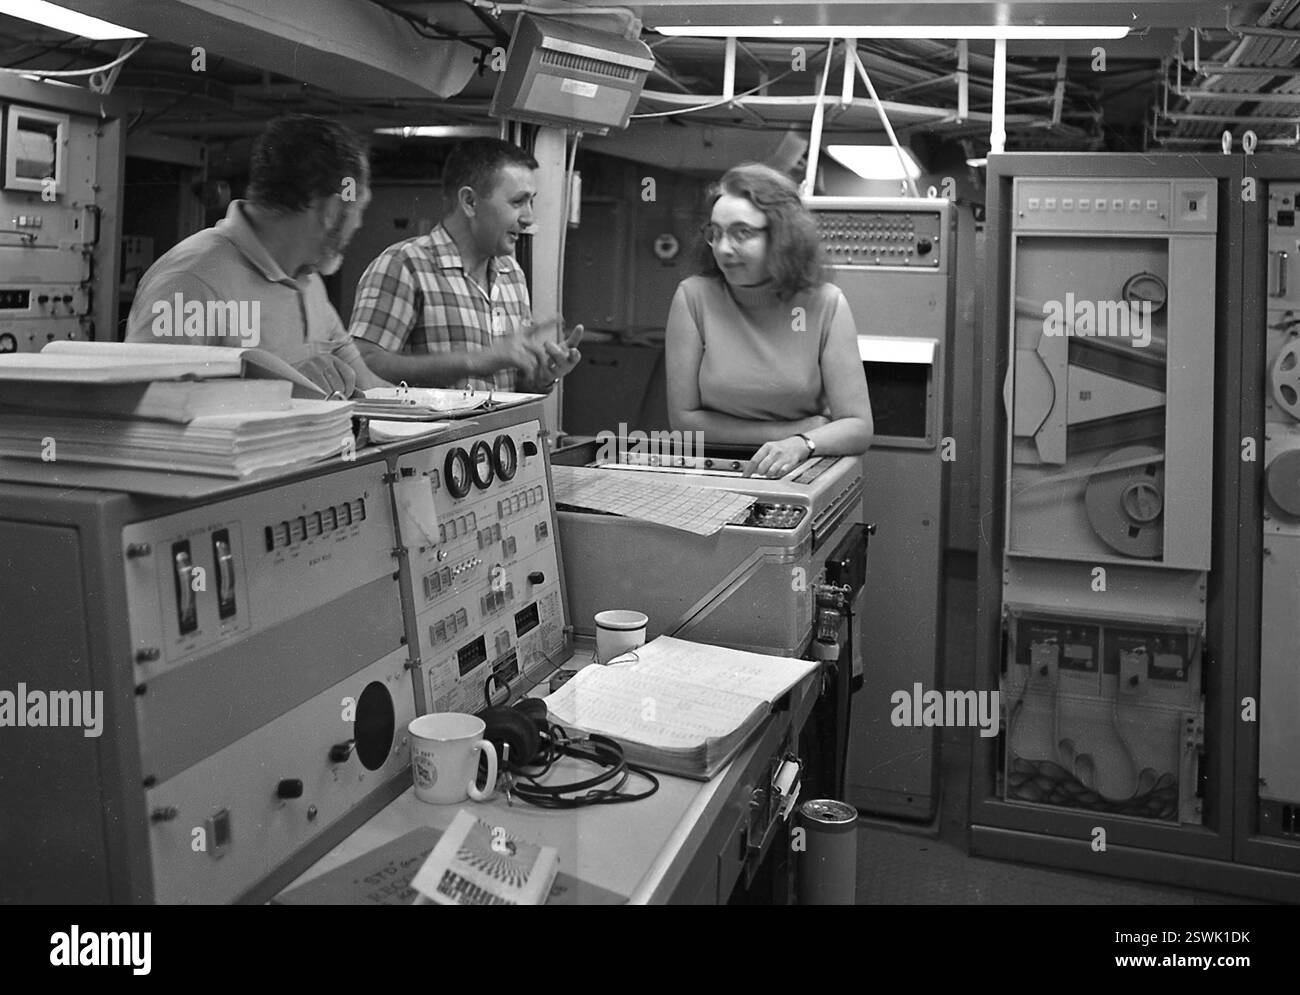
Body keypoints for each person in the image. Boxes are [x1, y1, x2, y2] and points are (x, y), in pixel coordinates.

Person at [126, 114, 387, 397]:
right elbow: (144, 405)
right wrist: (278, 390)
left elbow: (368, 387)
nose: (359, 224)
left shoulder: (307, 282)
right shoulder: (190, 283)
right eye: (359, 210)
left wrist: (437, 407)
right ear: (332, 211)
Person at [665, 163, 873, 478]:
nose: (723, 248)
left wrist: (801, 444)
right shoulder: (693, 298)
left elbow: (858, 427)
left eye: (741, 233)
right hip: (714, 469)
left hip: (800, 466)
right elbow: (684, 421)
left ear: (782, 236)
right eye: (715, 233)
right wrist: (794, 432)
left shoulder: (826, 304)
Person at [348, 138, 580, 393]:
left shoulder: (511, 275)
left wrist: (543, 377)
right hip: (438, 434)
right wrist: (472, 361)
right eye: (517, 202)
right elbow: (362, 364)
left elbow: (513, 386)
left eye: (531, 202)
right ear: (470, 202)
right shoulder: (405, 265)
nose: (528, 218)